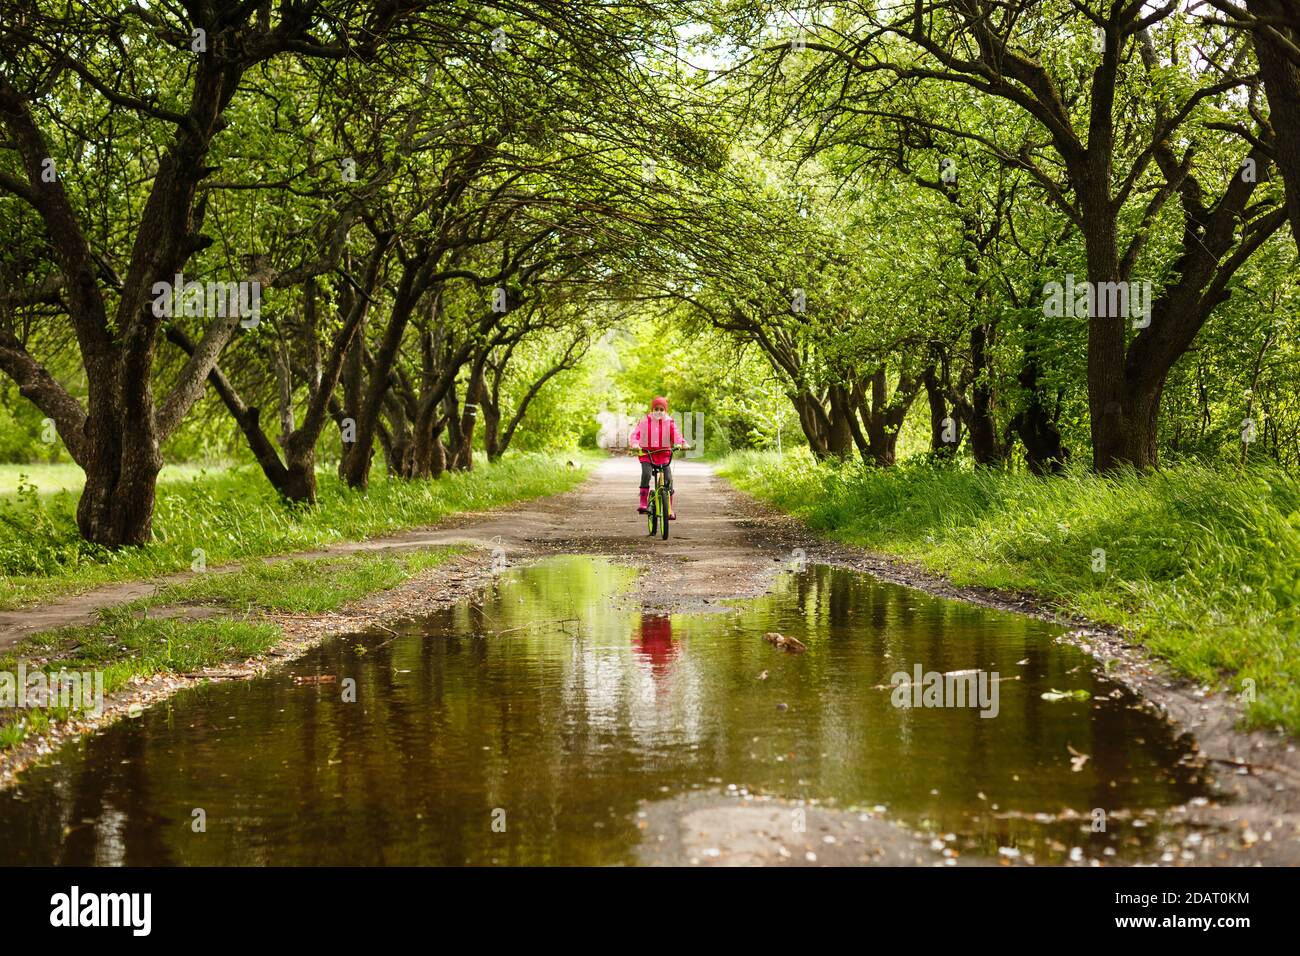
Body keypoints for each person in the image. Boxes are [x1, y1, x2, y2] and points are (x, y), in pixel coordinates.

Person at [628, 396, 686, 519]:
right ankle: (643, 502)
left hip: (663, 455)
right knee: (646, 474)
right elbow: (635, 435)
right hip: (647, 454)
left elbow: (676, 435)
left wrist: (682, 443)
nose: (659, 411)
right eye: (656, 409)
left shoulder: (669, 422)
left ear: (665, 410)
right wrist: (635, 444)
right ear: (652, 409)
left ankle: (669, 509)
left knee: (668, 480)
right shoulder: (644, 421)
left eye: (661, 409)